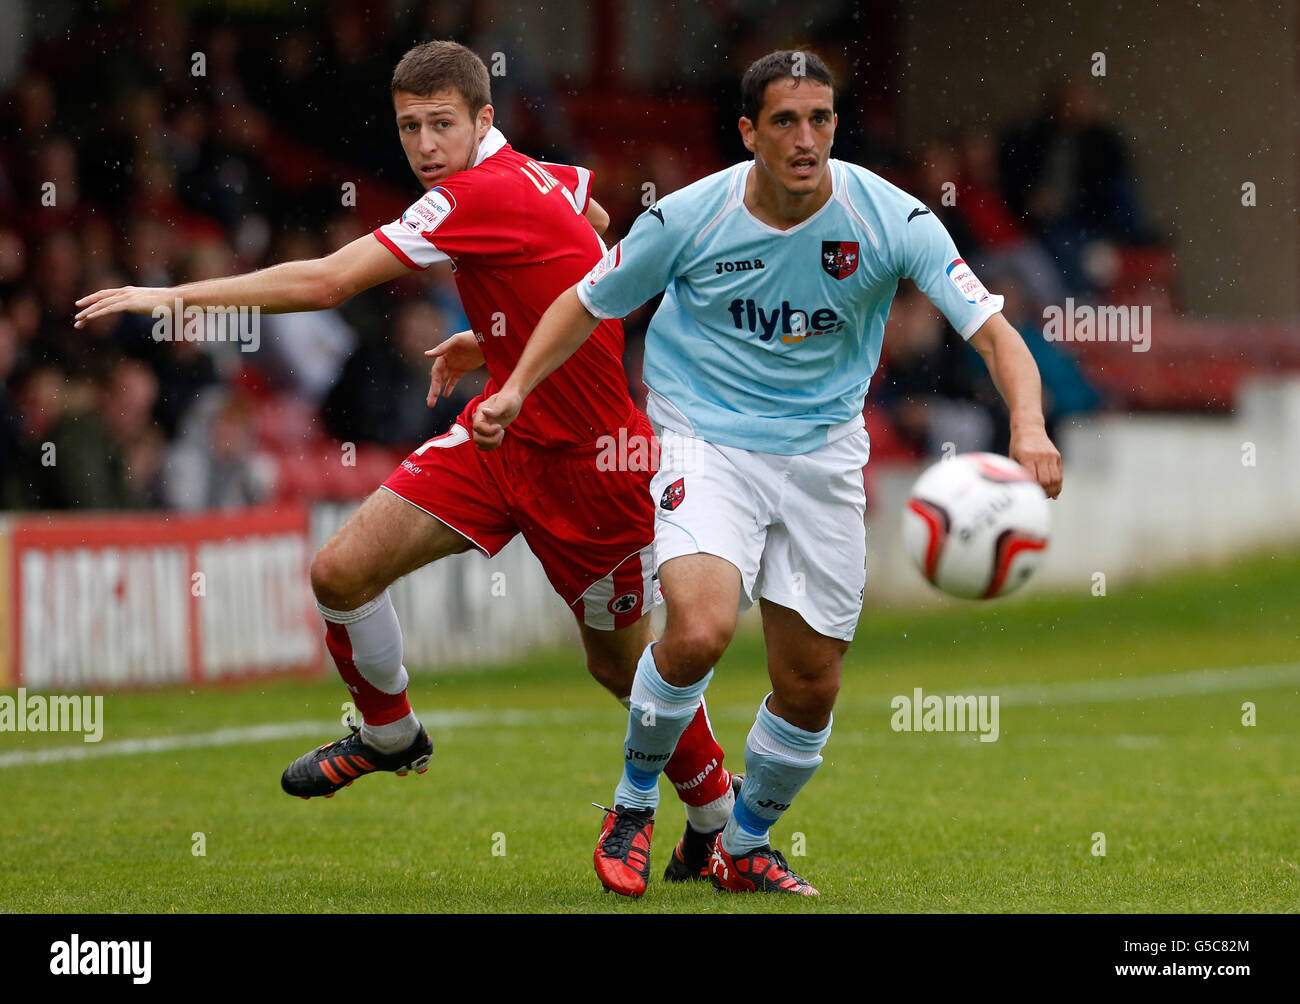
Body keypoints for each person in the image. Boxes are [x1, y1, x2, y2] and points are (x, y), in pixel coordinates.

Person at [73, 40, 737, 887]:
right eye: (409, 127)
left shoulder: (474, 194)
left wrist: (176, 296)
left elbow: (327, 281)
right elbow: (594, 227)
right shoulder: (542, 175)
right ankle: (389, 733)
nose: (424, 145)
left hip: (593, 469)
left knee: (621, 666)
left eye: (441, 124)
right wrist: (501, 328)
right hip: (498, 439)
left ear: (483, 120)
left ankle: (716, 816)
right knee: (340, 573)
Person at [473, 49, 1064, 897]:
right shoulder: (688, 218)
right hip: (704, 441)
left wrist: (1030, 424)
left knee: (811, 683)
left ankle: (741, 845)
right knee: (702, 628)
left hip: (824, 454)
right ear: (749, 131)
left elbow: (998, 335)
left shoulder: (890, 219)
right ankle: (633, 804)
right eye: (784, 120)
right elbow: (585, 300)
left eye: (820, 118)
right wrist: (517, 386)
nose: (805, 137)